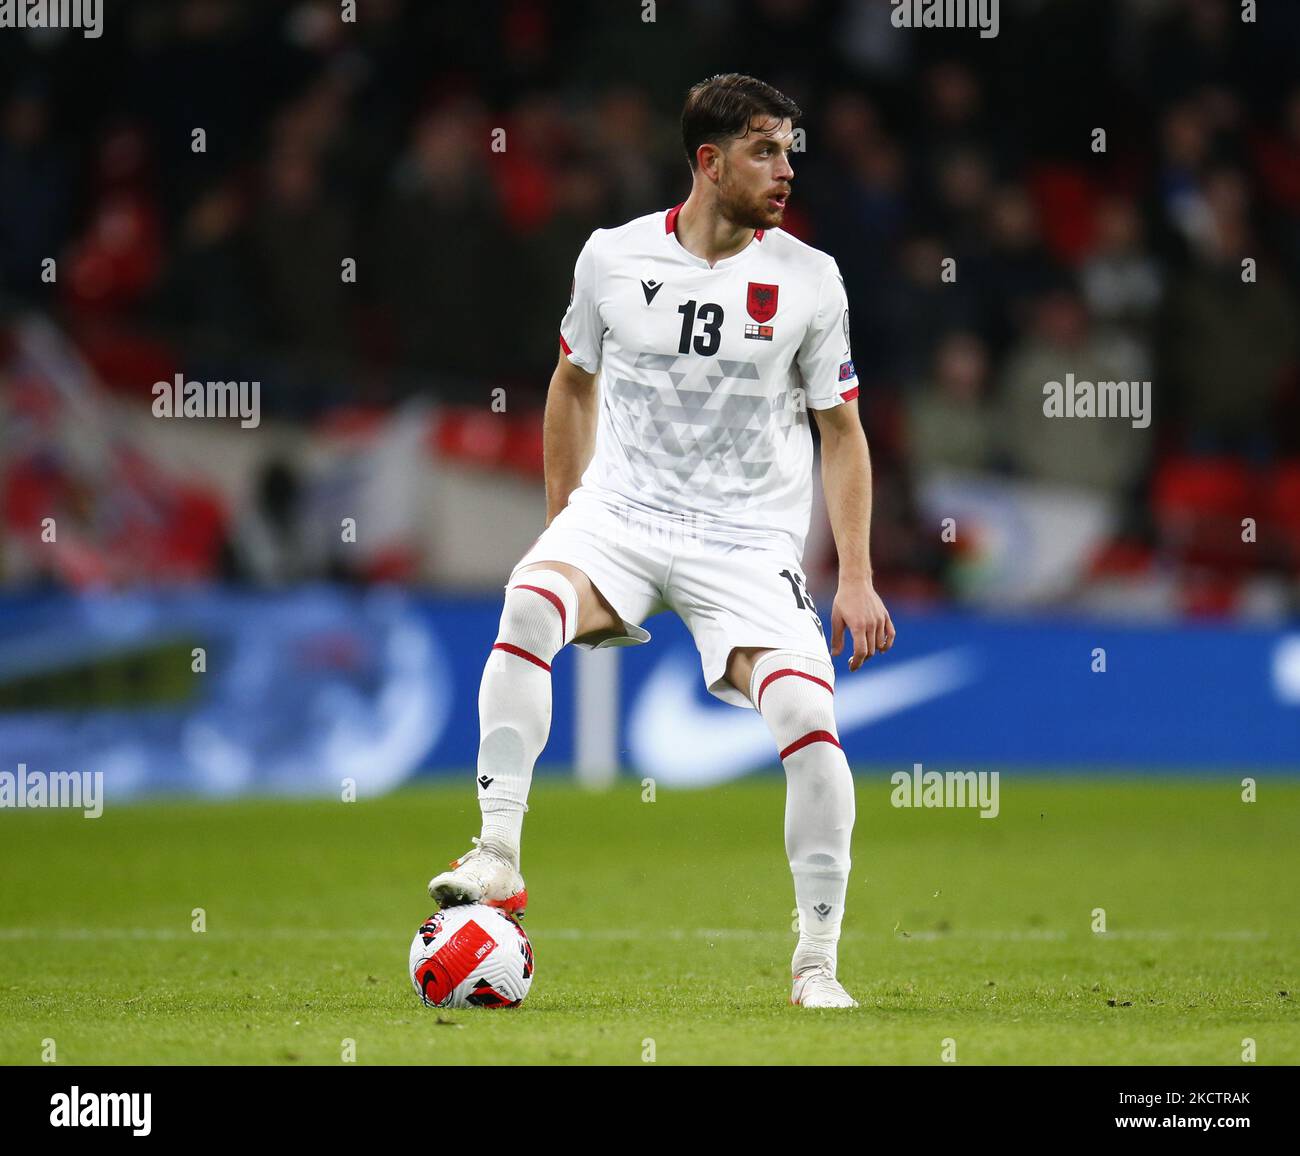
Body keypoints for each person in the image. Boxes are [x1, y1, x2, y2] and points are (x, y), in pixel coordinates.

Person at [429, 74, 895, 1009]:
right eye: (766, 149)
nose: (785, 168)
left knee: (811, 727)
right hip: (624, 515)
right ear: (709, 162)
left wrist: (857, 575)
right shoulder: (610, 258)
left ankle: (816, 967)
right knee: (528, 598)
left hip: (749, 540)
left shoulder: (811, 278)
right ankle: (498, 855)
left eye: (791, 150)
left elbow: (840, 430)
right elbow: (571, 383)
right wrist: (566, 521)